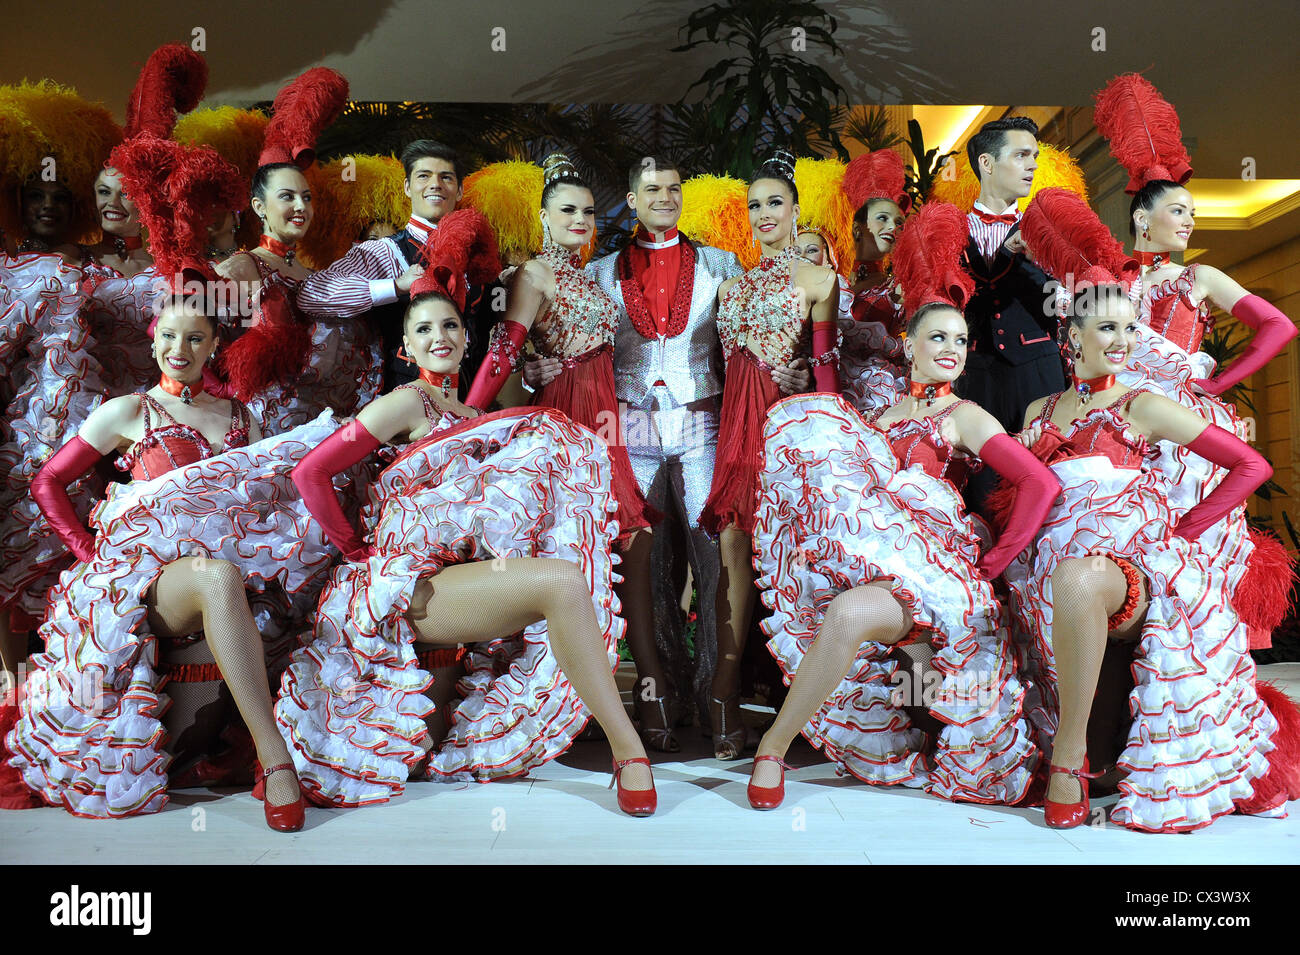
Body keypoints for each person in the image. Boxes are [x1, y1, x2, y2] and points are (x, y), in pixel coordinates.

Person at [2, 133, 336, 830]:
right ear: (152, 339)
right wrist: (87, 548)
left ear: (214, 343)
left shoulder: (238, 412)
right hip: (151, 578)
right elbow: (49, 484)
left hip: (234, 574)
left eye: (195, 338)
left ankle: (255, 740)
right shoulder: (129, 410)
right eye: (169, 337)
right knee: (213, 575)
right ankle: (276, 761)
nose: (180, 348)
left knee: (263, 581)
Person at [276, 209, 657, 815]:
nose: (440, 339)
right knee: (561, 581)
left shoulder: (474, 420)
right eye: (424, 331)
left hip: (455, 579)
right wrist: (357, 553)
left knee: (572, 562)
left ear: (467, 337)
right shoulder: (405, 401)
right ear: (405, 346)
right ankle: (628, 750)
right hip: (403, 589)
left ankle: (616, 744)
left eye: (450, 326)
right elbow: (310, 473)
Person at [746, 201, 1056, 808]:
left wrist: (995, 564)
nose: (951, 349)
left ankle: (772, 752)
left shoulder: (963, 414)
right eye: (937, 337)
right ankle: (825, 734)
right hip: (876, 558)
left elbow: (1040, 485)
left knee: (851, 614)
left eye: (961, 341)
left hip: (940, 565)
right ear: (907, 344)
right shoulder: (879, 420)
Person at [1004, 194, 1299, 831]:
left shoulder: (1145, 398)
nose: (1124, 338)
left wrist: (1185, 529)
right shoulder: (1038, 414)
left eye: (1128, 329)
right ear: (1071, 334)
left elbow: (1250, 463)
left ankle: (1072, 758)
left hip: (1143, 526)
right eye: (1109, 327)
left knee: (1086, 580)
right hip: (1048, 556)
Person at [1094, 73, 1298, 651]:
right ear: (1141, 218)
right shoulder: (1111, 283)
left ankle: (1196, 662)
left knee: (1188, 540)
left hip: (1185, 421)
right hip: (1123, 415)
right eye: (1178, 210)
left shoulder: (1199, 277)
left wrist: (1220, 383)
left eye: (1192, 213)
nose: (1188, 222)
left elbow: (1280, 325)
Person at [697, 150, 839, 759]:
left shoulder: (820, 281)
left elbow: (829, 371)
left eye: (774, 202)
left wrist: (809, 391)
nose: (763, 214)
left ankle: (806, 709)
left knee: (794, 563)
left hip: (789, 430)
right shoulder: (728, 287)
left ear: (796, 210)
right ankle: (722, 695)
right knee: (733, 561)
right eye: (754, 205)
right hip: (733, 431)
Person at [462, 152, 656, 546]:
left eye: (588, 211)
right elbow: (503, 350)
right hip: (565, 406)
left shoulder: (589, 278)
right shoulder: (533, 273)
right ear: (543, 216)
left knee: (616, 532)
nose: (581, 220)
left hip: (604, 411)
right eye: (568, 210)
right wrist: (468, 418)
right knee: (570, 525)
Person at [0, 81, 118, 687]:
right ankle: (16, 687)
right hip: (26, 437)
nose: (48, 205)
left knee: (78, 555)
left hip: (97, 439)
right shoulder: (6, 272)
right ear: (16, 202)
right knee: (22, 550)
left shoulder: (98, 267)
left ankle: (67, 682)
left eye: (60, 195)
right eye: (34, 195)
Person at [213, 67, 358, 434]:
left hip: (321, 428)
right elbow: (189, 338)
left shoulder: (315, 275)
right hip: (262, 433)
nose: (300, 207)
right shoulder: (240, 269)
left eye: (306, 197)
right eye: (287, 197)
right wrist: (229, 394)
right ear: (259, 207)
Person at [297, 139, 502, 389]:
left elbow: (494, 329)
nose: (435, 184)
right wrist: (394, 286)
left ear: (459, 190)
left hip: (471, 403)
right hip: (404, 405)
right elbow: (310, 294)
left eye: (446, 177)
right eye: (424, 176)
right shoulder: (384, 251)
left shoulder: (478, 256)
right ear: (407, 186)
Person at [958, 117, 1065, 515]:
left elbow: (1073, 305)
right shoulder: (948, 230)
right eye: (1021, 156)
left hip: (1039, 372)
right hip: (972, 376)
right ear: (987, 163)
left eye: (1034, 156)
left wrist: (1035, 261)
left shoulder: (1052, 229)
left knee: (1047, 482)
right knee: (978, 491)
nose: (1033, 165)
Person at [838, 148, 911, 416]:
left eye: (899, 223)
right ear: (858, 227)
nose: (893, 227)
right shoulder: (830, 279)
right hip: (828, 392)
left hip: (878, 399)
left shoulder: (901, 287)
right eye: (882, 218)